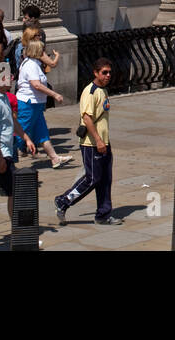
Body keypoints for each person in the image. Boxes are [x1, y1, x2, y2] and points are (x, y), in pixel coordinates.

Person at [54, 57, 122, 226]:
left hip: (104, 143)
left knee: (105, 180)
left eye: (109, 72)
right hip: (91, 144)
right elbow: (87, 118)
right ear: (95, 73)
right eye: (104, 73)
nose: (107, 75)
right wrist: (98, 140)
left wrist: (104, 142)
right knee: (92, 178)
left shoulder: (103, 90)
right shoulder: (89, 92)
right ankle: (63, 201)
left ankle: (103, 215)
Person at [0, 64, 37, 249]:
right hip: (1, 155)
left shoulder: (2, 96)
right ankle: (20, 234)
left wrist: (26, 138)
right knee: (16, 193)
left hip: (3, 154)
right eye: (8, 77)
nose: (12, 79)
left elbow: (12, 120)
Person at [16, 40, 73, 168]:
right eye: (42, 50)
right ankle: (3, 158)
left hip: (35, 104)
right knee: (20, 133)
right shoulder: (31, 65)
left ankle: (54, 158)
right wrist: (54, 94)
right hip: (28, 104)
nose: (44, 53)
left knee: (42, 133)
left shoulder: (35, 63)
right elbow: (36, 85)